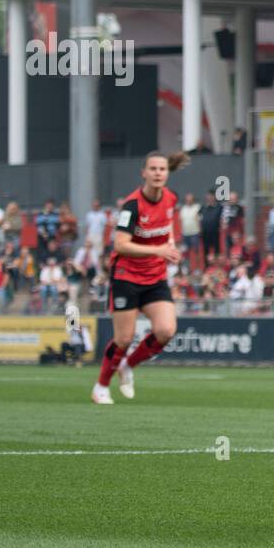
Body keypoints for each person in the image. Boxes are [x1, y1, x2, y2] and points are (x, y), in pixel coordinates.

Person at [91, 151, 187, 405]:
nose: (157, 173)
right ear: (143, 173)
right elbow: (120, 245)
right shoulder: (132, 206)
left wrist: (170, 246)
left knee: (166, 330)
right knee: (123, 338)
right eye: (153, 169)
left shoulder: (171, 198)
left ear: (168, 173)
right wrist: (158, 250)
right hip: (127, 276)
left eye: (162, 169)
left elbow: (166, 230)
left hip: (155, 277)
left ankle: (127, 365)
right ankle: (101, 387)